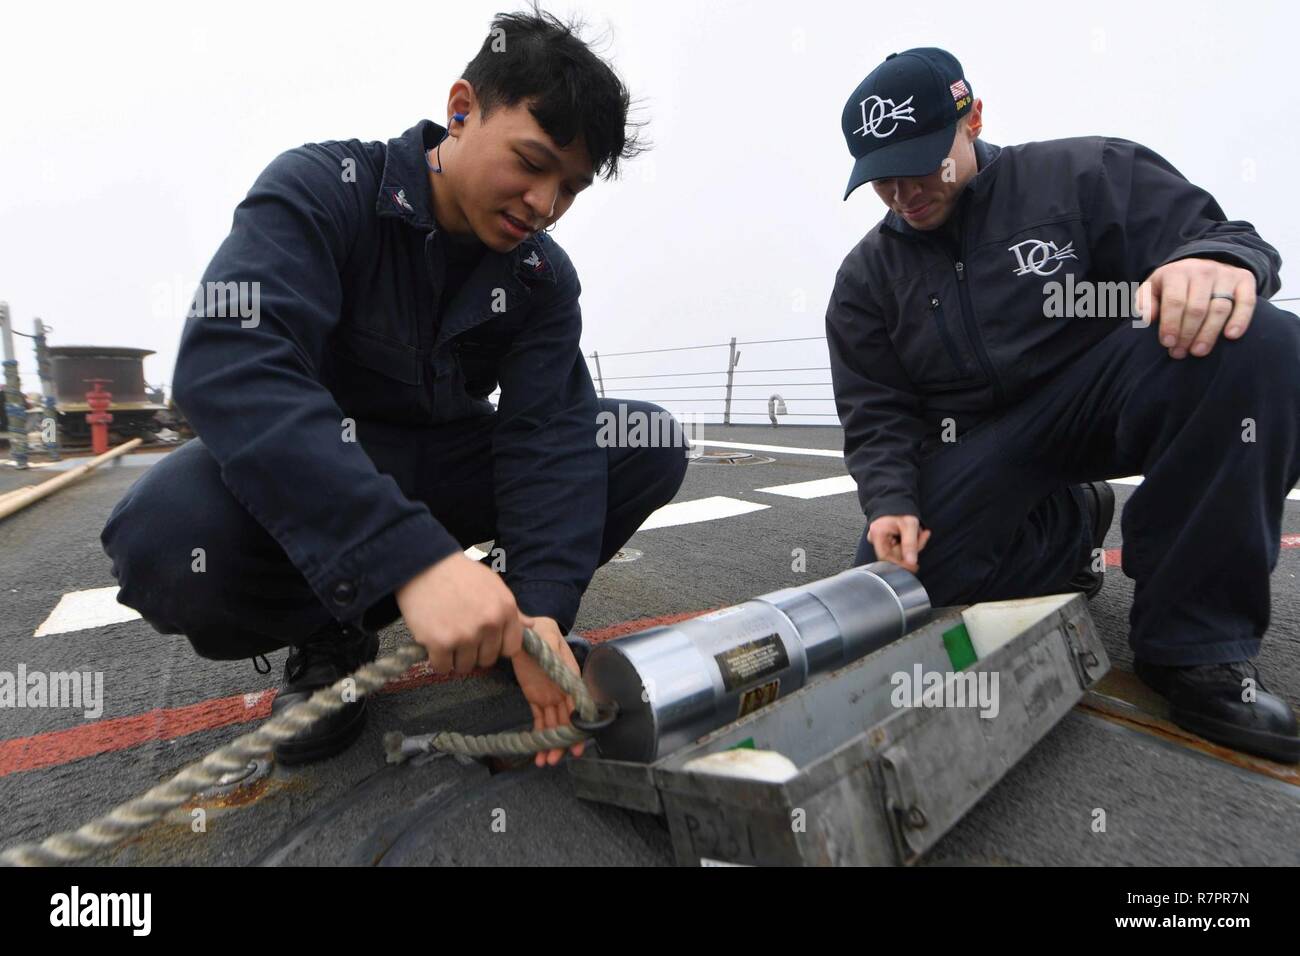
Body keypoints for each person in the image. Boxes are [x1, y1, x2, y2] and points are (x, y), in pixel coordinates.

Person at [102, 8, 688, 768]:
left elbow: (546, 435)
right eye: (532, 162)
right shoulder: (320, 189)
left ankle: (497, 622)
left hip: (441, 466)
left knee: (645, 442)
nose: (546, 205)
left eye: (570, 188)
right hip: (325, 474)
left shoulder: (543, 279)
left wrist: (540, 605)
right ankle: (333, 634)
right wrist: (408, 560)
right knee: (164, 534)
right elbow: (231, 362)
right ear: (460, 109)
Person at [827, 48, 1300, 762]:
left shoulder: (1079, 174)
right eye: (880, 178)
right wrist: (891, 501)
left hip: (1105, 393)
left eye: (921, 164)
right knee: (896, 585)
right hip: (984, 443)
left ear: (973, 118)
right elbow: (876, 412)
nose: (904, 193)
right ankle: (1072, 521)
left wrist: (1215, 263)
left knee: (1260, 341)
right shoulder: (865, 279)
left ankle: (1193, 646)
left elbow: (1222, 238)